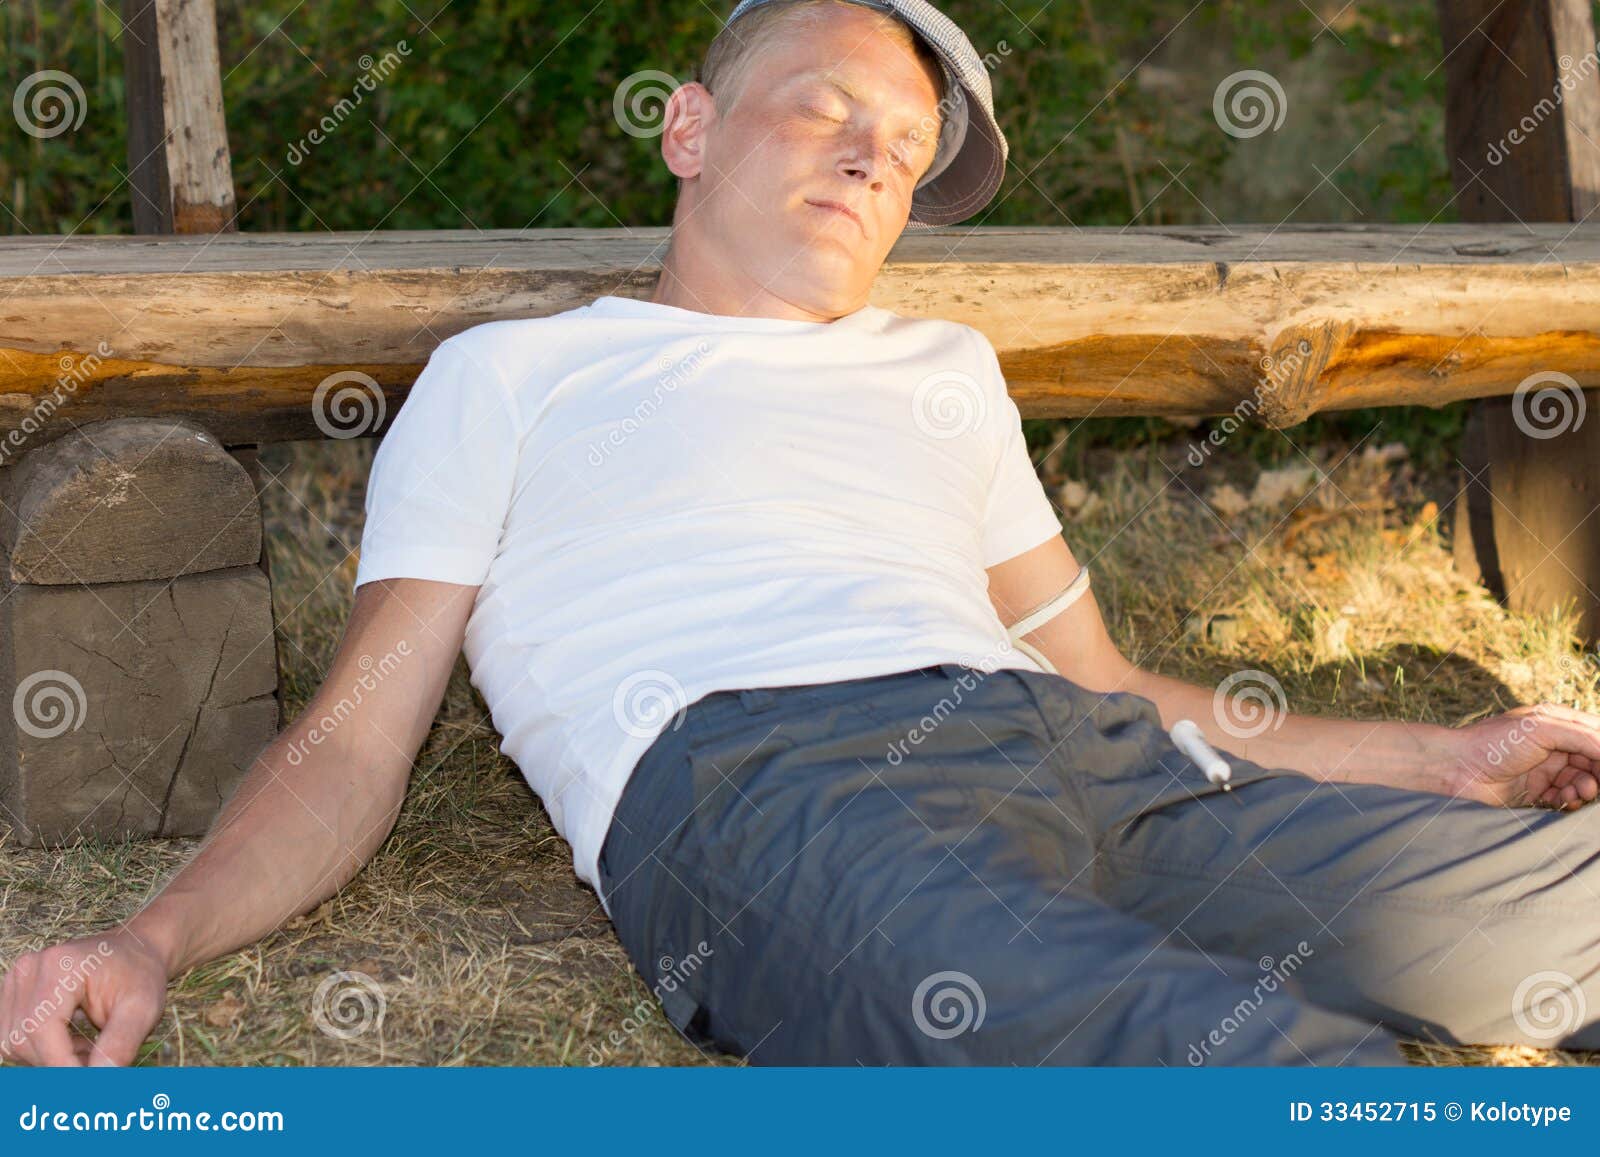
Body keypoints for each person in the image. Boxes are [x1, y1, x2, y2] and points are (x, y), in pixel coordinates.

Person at [4, 0, 1600, 1068]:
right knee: (1227, 1067)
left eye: (903, 153)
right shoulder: (510, 377)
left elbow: (1114, 680)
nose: (869, 158)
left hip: (1099, 768)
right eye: (827, 110)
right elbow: (357, 744)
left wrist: (1439, 760)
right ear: (688, 130)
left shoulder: (943, 369)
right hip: (780, 789)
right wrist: (151, 934)